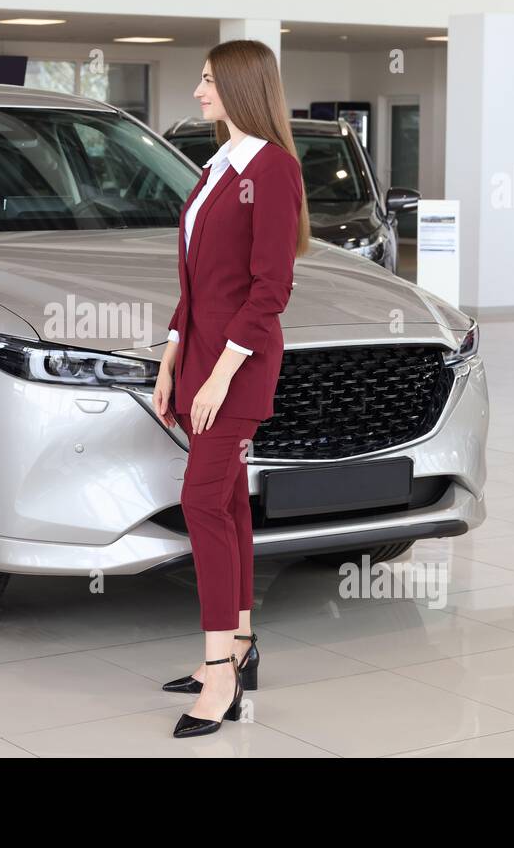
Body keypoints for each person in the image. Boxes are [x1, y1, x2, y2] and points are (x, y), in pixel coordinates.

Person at [151, 39, 309, 738]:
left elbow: (270, 289)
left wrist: (217, 373)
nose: (198, 91)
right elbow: (196, 279)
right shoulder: (218, 167)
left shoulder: (272, 170)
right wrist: (172, 354)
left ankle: (219, 673)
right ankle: (240, 645)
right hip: (201, 362)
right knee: (228, 500)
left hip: (239, 370)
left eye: (209, 81)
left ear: (243, 87)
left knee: (200, 501)